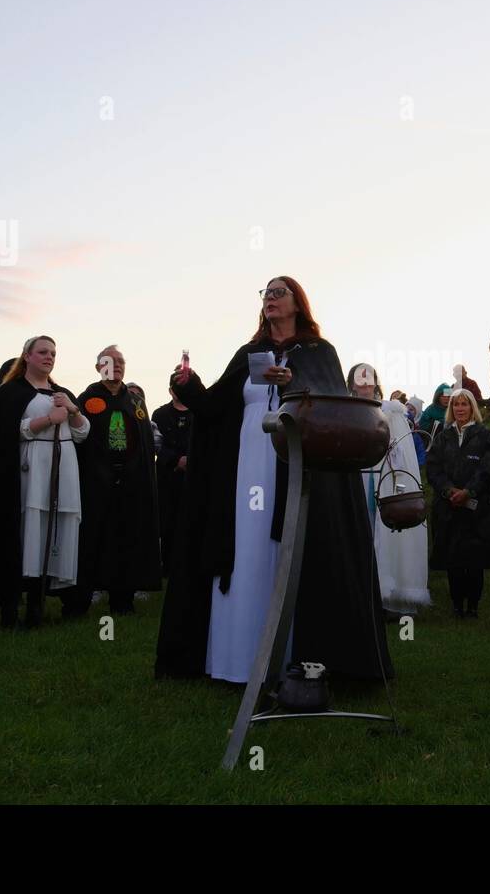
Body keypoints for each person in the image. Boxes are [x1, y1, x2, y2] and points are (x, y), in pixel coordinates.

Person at [155, 276, 393, 683]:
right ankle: (238, 661)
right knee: (245, 550)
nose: (269, 299)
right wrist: (189, 387)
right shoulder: (250, 352)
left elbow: (330, 402)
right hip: (247, 465)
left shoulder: (319, 352)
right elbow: (214, 409)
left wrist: (295, 385)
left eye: (278, 292)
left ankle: (293, 662)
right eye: (265, 293)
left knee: (286, 546)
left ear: (298, 303)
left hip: (295, 464)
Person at [0, 336, 89, 628]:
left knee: (54, 530)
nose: (49, 357)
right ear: (27, 356)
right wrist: (48, 419)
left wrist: (72, 410)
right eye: (43, 352)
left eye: (53, 353)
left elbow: (82, 435)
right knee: (28, 531)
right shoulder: (11, 392)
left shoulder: (62, 392)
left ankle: (38, 605)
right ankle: (11, 608)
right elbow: (7, 431)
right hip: (31, 470)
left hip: (63, 469)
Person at [70, 345, 161, 618]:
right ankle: (81, 600)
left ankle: (123, 600)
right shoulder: (85, 400)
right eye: (110, 361)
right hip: (96, 482)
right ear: (99, 367)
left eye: (121, 361)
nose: (117, 366)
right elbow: (82, 442)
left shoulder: (135, 401)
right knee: (93, 539)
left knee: (128, 538)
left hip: (131, 483)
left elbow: (145, 443)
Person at [348, 364, 430, 614]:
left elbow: (403, 451)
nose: (364, 383)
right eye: (359, 379)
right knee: (357, 532)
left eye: (368, 378)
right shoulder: (344, 410)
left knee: (387, 535)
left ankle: (390, 597)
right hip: (356, 479)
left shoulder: (390, 411)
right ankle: (358, 595)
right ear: (351, 383)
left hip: (385, 482)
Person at [425, 388, 490, 618]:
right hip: (448, 507)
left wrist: (469, 492)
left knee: (475, 560)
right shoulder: (442, 437)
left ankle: (473, 605)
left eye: (464, 404)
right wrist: (449, 491)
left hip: (477, 509)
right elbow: (433, 469)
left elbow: (488, 469)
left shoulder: (486, 436)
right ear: (451, 409)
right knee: (453, 560)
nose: (460, 408)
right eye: (456, 405)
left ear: (472, 408)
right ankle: (457, 604)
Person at [152, 372, 193, 581]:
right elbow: (157, 442)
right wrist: (176, 460)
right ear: (170, 390)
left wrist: (191, 460)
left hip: (194, 478)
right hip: (168, 477)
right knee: (167, 524)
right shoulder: (159, 414)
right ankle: (167, 569)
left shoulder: (200, 413)